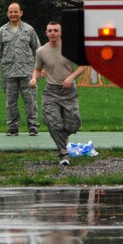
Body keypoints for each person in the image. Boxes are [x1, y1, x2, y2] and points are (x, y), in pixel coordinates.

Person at [30, 21, 87, 166]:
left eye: (56, 30)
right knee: (53, 123)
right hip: (51, 92)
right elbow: (37, 69)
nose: (53, 33)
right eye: (50, 31)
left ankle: (62, 137)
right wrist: (34, 79)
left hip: (69, 91)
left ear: (61, 33)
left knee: (74, 123)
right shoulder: (41, 51)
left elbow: (83, 65)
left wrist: (71, 77)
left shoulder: (70, 47)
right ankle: (63, 154)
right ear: (46, 33)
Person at [0, 2, 41, 136]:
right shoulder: (2, 31)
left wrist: (40, 68)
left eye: (15, 11)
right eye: (10, 12)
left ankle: (33, 126)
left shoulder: (29, 30)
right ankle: (12, 127)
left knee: (30, 100)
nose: (13, 14)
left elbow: (38, 49)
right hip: (8, 72)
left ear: (21, 13)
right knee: (10, 102)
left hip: (27, 71)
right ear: (7, 14)